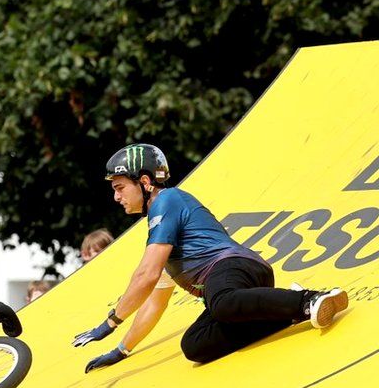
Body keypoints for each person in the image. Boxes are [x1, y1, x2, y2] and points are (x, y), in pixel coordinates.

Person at [74, 143, 349, 371]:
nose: (115, 196)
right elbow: (153, 305)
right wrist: (121, 350)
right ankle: (283, 310)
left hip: (234, 268)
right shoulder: (166, 240)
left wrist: (109, 324)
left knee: (221, 304)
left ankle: (308, 299)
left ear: (144, 182)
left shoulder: (166, 201)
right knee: (194, 345)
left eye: (119, 187)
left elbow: (146, 275)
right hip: (232, 289)